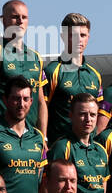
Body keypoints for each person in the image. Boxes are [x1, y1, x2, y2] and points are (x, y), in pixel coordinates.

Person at [0, 0, 47, 134]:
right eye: (15, 17)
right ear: (3, 20)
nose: (20, 21)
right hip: (2, 136)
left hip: (31, 139)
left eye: (24, 17)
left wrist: (43, 138)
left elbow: (41, 102)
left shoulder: (36, 57)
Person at [43, 13, 103, 146]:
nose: (79, 40)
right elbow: (42, 108)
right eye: (73, 35)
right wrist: (44, 141)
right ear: (63, 37)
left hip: (88, 150)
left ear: (88, 37)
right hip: (59, 148)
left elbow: (99, 113)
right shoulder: (52, 71)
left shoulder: (95, 75)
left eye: (83, 35)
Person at [48, 94, 109, 193]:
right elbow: (47, 189)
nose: (88, 119)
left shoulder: (101, 151)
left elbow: (102, 189)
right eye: (82, 114)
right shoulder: (63, 147)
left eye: (92, 115)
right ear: (71, 116)